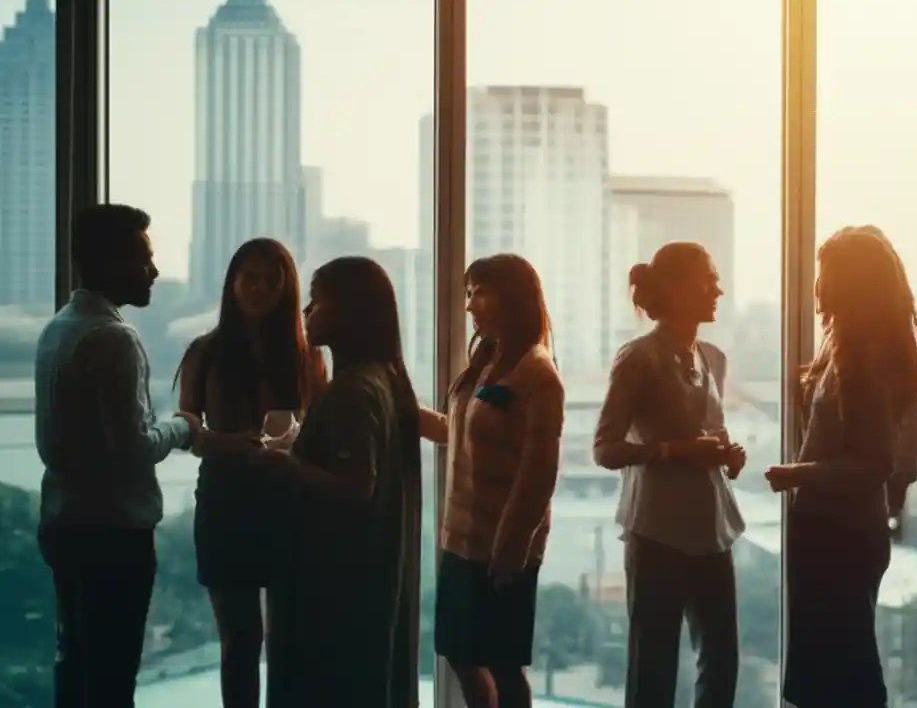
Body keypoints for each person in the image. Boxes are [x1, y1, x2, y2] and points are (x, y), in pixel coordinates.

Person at [34, 204, 259, 706]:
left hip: (63, 521)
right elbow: (134, 447)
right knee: (112, 678)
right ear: (111, 262)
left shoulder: (57, 329)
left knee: (74, 666)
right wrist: (183, 427)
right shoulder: (115, 338)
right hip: (112, 534)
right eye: (144, 259)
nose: (155, 272)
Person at [765, 226, 917, 707]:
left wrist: (799, 473)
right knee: (837, 660)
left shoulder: (864, 359)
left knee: (841, 666)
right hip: (841, 531)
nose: (818, 286)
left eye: (826, 273)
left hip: (836, 534)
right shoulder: (857, 350)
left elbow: (873, 463)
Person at [252, 257, 422, 707]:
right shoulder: (381, 380)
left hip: (333, 590)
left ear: (349, 311)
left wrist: (283, 464)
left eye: (317, 300)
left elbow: (355, 486)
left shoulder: (353, 391)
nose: (306, 313)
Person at [594, 242, 747, 708]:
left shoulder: (713, 358)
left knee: (722, 659)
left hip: (711, 525)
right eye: (708, 279)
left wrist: (727, 454)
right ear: (678, 290)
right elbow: (605, 449)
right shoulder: (638, 358)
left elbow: (711, 432)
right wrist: (673, 451)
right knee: (653, 667)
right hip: (657, 530)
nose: (718, 289)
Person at [175, 238, 327, 708]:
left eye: (271, 279)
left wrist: (291, 447)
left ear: (287, 287)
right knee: (240, 642)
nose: (259, 288)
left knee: (289, 642)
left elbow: (321, 431)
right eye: (250, 277)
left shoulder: (309, 358)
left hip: (289, 499)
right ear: (232, 284)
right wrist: (226, 443)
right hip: (226, 500)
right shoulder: (206, 351)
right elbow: (187, 429)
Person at [419, 253, 566, 708]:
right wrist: (406, 410)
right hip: (460, 540)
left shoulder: (539, 375)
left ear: (514, 298)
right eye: (468, 293)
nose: (470, 305)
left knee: (503, 664)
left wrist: (511, 547)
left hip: (502, 547)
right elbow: (459, 431)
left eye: (480, 292)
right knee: (461, 653)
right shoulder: (485, 361)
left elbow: (539, 471)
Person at [853, 226, 917, 541]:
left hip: (857, 512)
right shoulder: (898, 351)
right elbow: (911, 453)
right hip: (873, 511)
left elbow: (904, 453)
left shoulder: (871, 356)